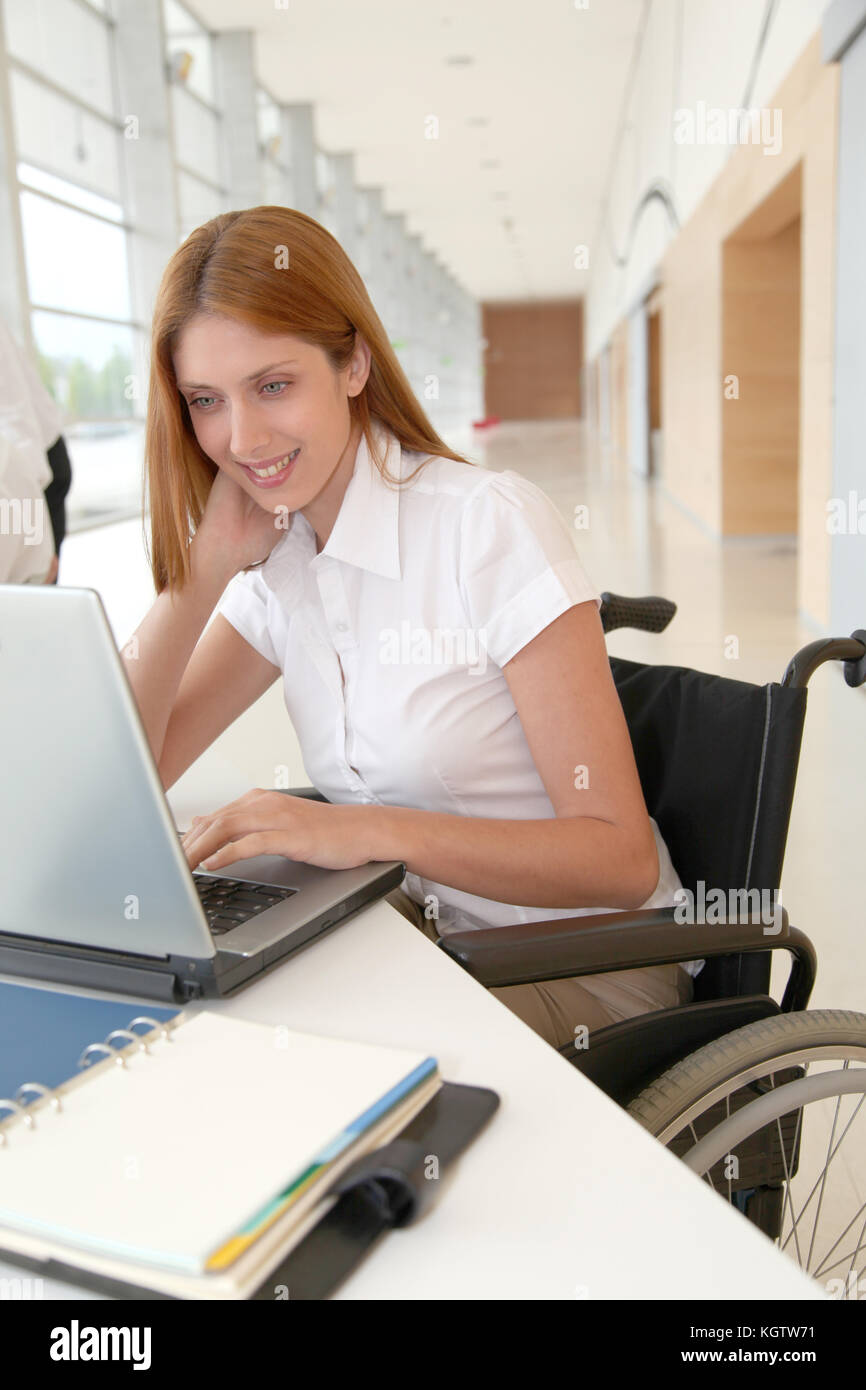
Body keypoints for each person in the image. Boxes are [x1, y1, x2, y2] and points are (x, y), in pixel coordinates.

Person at [123, 205, 696, 1052]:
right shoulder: (280, 556)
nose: (240, 438)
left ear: (353, 362)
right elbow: (132, 768)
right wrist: (201, 574)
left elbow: (620, 862)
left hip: (574, 964)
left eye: (273, 385)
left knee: (288, 1066)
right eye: (207, 401)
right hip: (416, 942)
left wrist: (364, 829)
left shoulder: (484, 527)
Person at [0, 317, 67, 585]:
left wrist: (38, 546)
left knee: (38, 592)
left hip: (40, 456)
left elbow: (15, 417)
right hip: (18, 468)